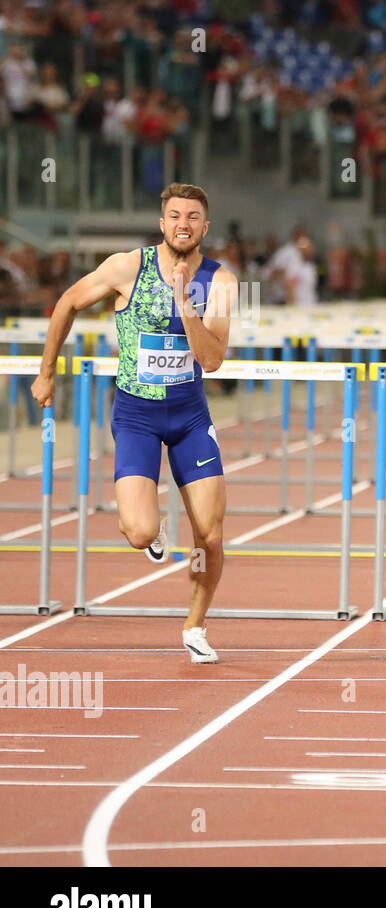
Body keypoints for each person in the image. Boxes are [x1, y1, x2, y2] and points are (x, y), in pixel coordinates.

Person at [31, 183, 236, 664]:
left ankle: (195, 625)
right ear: (162, 223)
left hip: (189, 417)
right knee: (139, 532)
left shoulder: (222, 282)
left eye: (192, 217)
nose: (183, 224)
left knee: (211, 536)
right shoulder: (128, 266)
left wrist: (187, 303)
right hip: (137, 415)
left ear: (204, 228)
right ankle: (155, 529)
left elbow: (213, 361)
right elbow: (67, 303)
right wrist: (46, 373)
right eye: (174, 215)